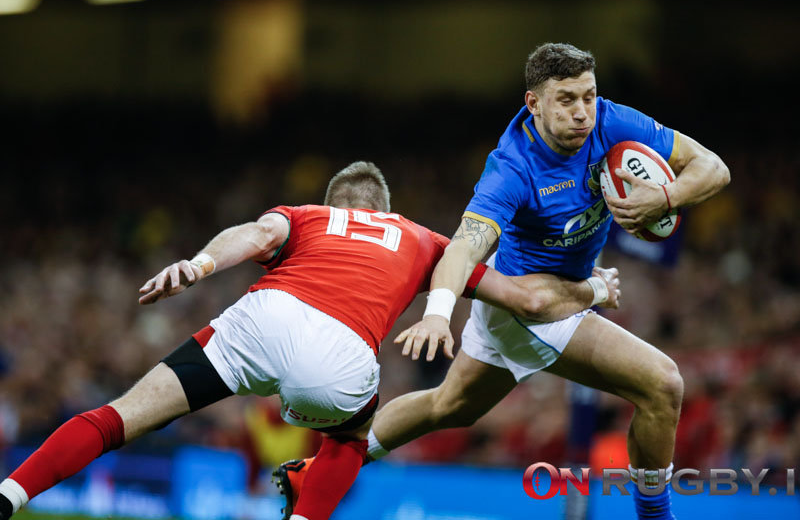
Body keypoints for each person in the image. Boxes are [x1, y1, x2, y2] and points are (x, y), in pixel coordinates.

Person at [0, 161, 620, 520]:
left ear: (335, 204)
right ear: (384, 207)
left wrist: (198, 265)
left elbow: (251, 232)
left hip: (262, 318)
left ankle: (9, 493)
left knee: (119, 416)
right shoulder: (427, 240)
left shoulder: (308, 217)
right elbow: (531, 300)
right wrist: (594, 287)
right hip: (340, 354)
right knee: (347, 439)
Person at [284, 43, 731, 520]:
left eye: (589, 96)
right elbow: (461, 247)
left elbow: (713, 168)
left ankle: (314, 471)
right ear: (533, 103)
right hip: (526, 302)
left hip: (538, 295)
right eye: (566, 100)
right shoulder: (513, 167)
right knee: (662, 384)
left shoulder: (612, 121)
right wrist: (438, 314)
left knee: (449, 405)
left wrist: (665, 196)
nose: (583, 113)